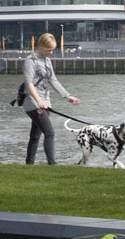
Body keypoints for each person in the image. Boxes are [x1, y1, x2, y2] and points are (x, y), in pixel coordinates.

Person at [17, 33, 80, 165]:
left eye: (52, 50)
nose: (51, 53)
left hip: (45, 101)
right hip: (33, 102)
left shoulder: (47, 61)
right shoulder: (30, 61)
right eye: (48, 50)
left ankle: (29, 164)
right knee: (50, 133)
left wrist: (67, 96)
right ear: (40, 47)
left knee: (35, 136)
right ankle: (52, 164)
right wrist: (39, 101)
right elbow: (29, 84)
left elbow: (53, 80)